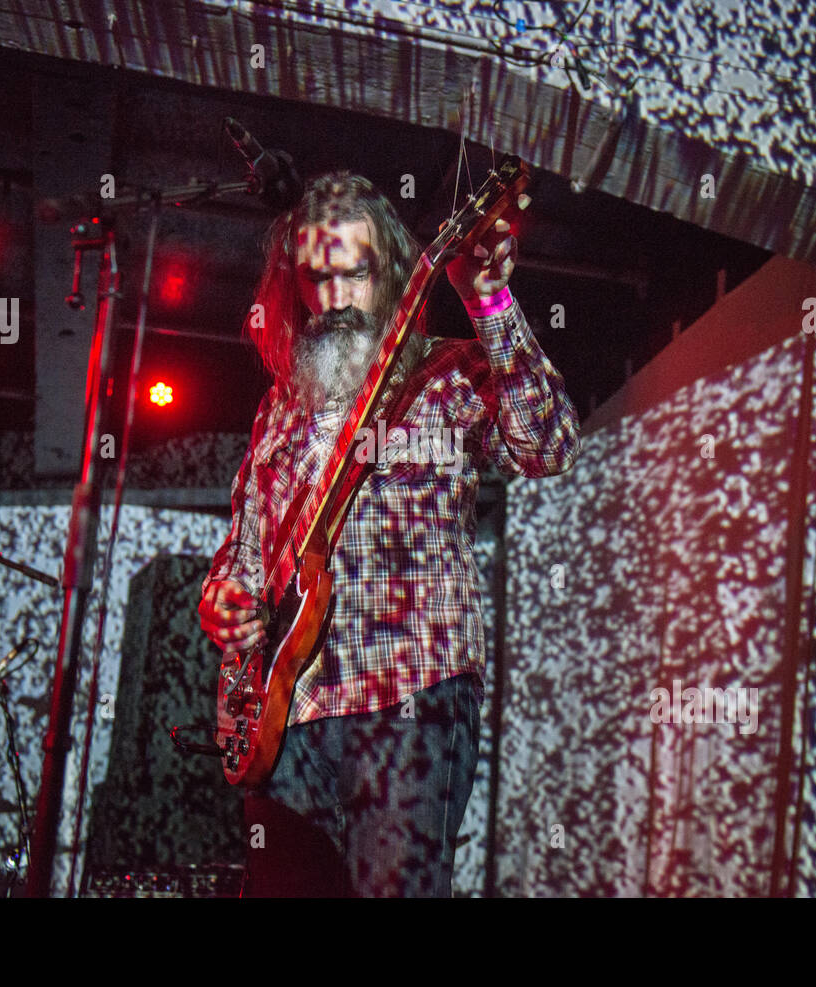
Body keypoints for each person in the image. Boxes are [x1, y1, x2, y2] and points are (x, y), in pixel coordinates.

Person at [198, 171, 579, 896]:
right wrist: (225, 600)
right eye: (318, 275)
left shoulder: (443, 375)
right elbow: (241, 554)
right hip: (287, 716)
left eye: (357, 270)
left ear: (395, 273)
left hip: (410, 690)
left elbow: (549, 443)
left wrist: (487, 297)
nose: (336, 293)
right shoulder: (278, 407)